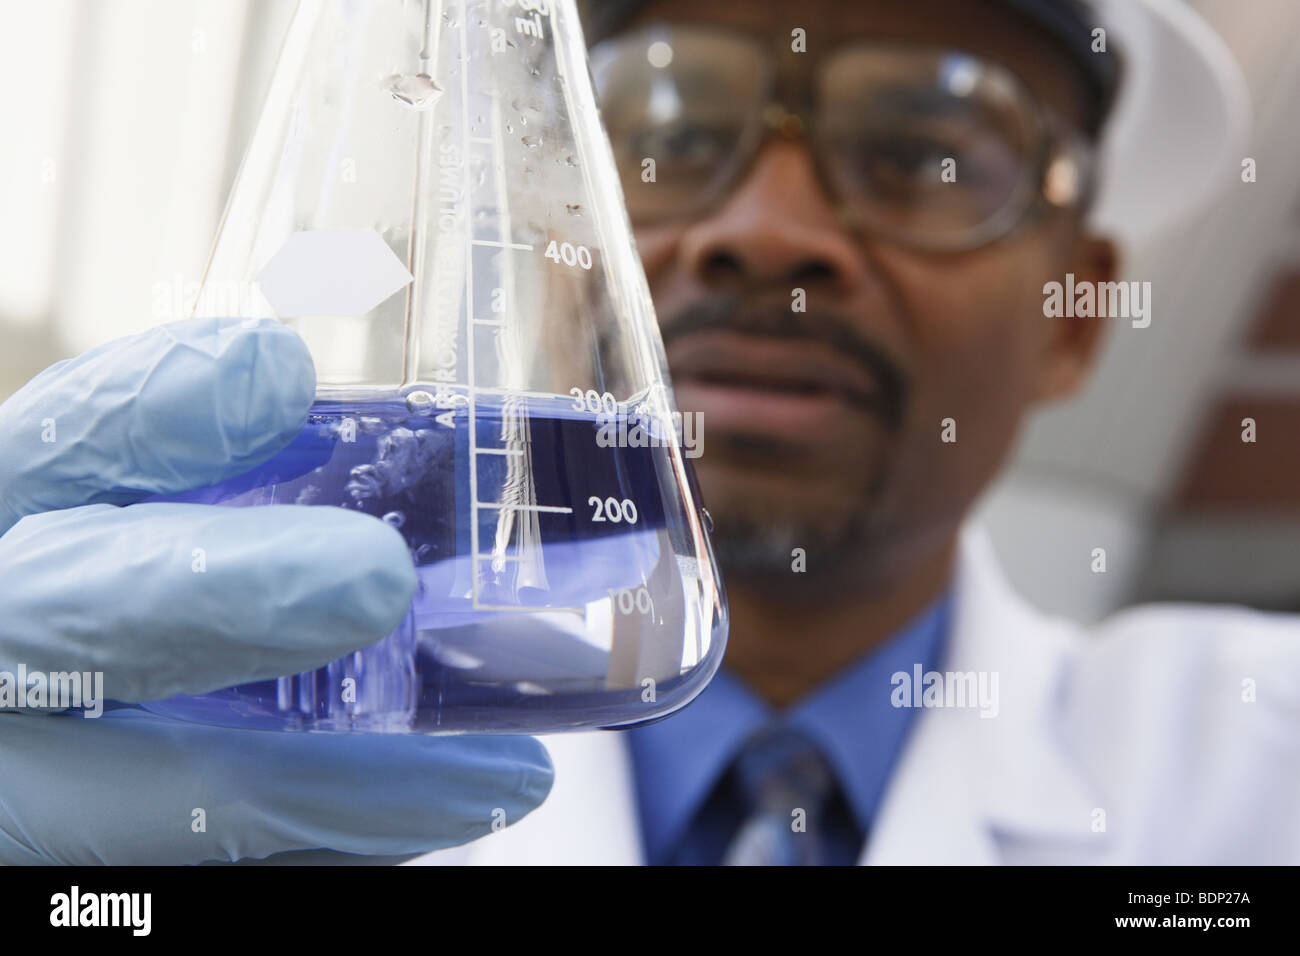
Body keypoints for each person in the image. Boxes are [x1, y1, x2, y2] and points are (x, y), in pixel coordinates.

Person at [414, 0, 1300, 865]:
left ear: (1072, 317)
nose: (767, 234)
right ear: (549, 264)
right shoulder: (359, 735)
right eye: (676, 142)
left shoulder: (1258, 767)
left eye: (917, 157)